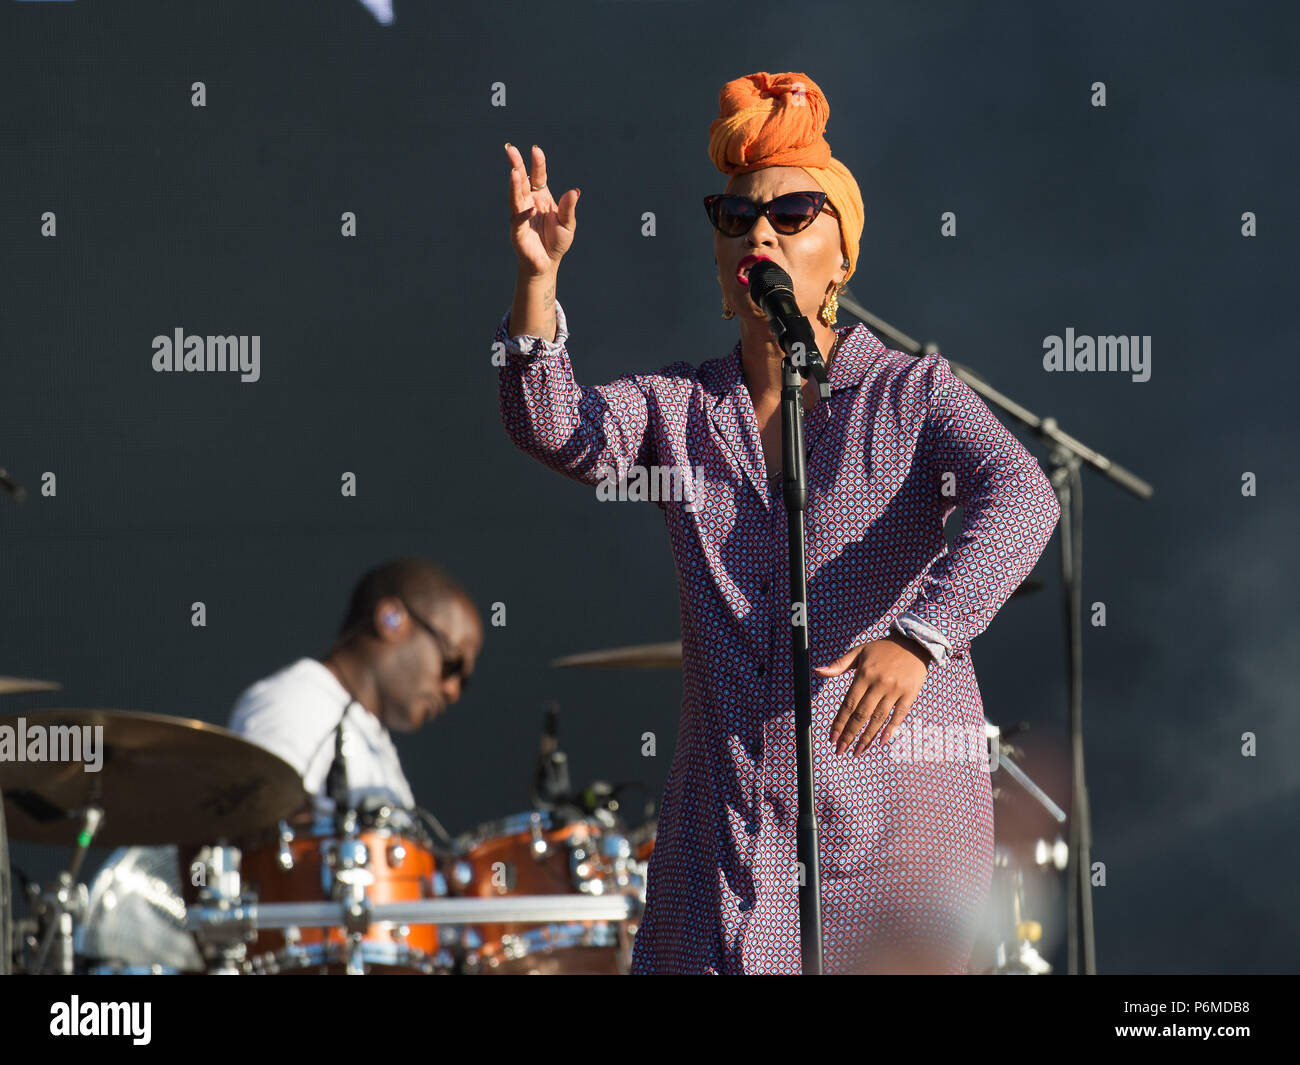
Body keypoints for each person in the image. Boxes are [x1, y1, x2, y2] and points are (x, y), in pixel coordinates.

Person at [494, 71, 1060, 974]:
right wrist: (536, 280)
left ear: (841, 255)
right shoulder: (680, 408)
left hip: (889, 838)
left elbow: (1024, 494)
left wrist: (921, 637)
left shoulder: (910, 393)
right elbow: (557, 428)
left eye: (793, 213)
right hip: (723, 841)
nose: (759, 230)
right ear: (721, 257)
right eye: (734, 217)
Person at [228, 556, 483, 814]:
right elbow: (259, 837)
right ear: (391, 619)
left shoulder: (374, 739)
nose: (453, 691)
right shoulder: (299, 703)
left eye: (464, 681)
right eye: (452, 664)